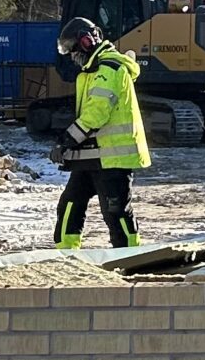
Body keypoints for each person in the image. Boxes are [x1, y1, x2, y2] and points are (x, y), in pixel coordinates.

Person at [51, 16, 148, 249]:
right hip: (92, 157)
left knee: (115, 212)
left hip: (113, 158)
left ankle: (129, 257)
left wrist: (66, 141)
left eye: (74, 51)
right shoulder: (92, 70)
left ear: (86, 42)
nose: (74, 58)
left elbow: (97, 113)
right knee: (70, 205)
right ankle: (65, 254)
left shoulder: (108, 69)